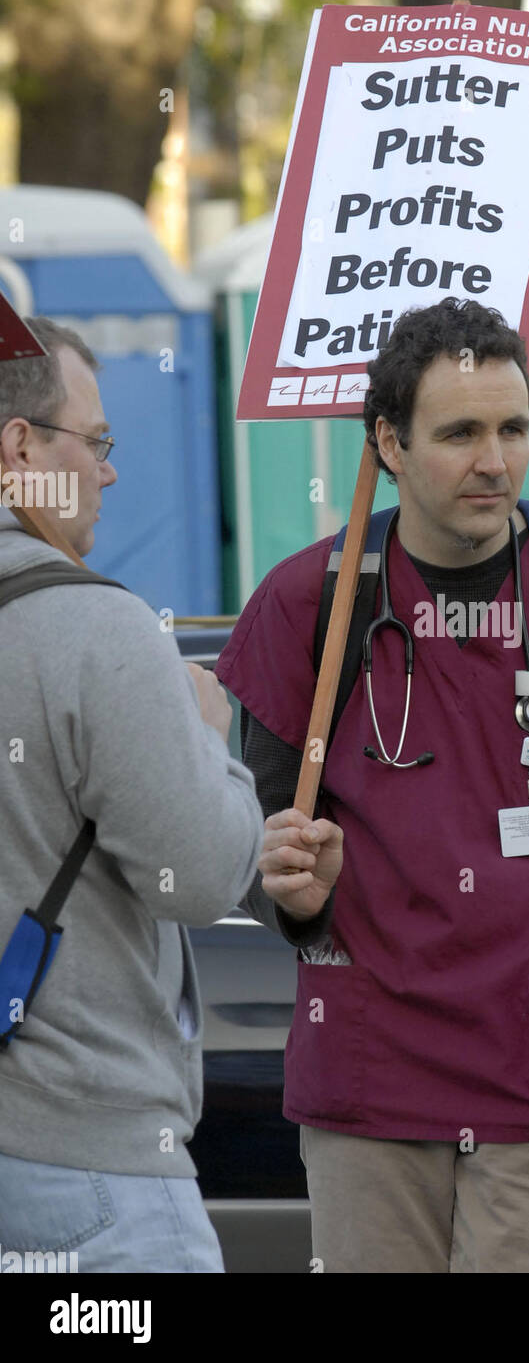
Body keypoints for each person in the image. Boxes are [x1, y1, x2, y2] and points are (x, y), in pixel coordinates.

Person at [217, 297, 529, 1273]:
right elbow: (255, 847)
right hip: (371, 1087)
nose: (495, 460)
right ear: (389, 444)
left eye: (512, 428)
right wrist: (295, 902)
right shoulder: (304, 605)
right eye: (460, 433)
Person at [0, 317, 265, 1272]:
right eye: (96, 442)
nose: (108, 473)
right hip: (91, 1167)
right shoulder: (99, 630)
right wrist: (210, 741)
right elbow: (195, 876)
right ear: (20, 448)